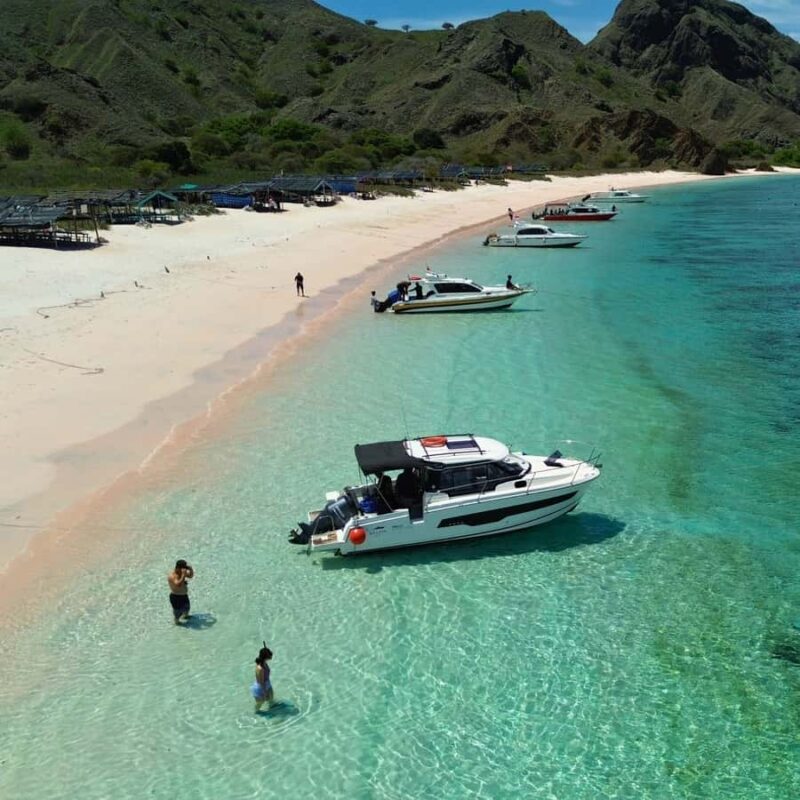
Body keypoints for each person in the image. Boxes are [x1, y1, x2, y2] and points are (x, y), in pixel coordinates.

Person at [167, 560, 194, 624]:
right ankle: (177, 622)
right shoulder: (172, 575)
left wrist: (191, 569)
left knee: (187, 608)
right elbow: (177, 584)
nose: (184, 570)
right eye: (183, 568)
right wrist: (183, 575)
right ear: (178, 568)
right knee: (178, 612)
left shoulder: (181, 573)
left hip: (184, 595)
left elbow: (190, 576)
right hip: (176, 597)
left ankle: (185, 616)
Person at [250, 644, 274, 712]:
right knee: (260, 703)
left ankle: (271, 709)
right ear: (266, 657)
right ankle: (256, 712)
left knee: (271, 699)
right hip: (261, 688)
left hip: (267, 684)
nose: (271, 657)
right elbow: (261, 682)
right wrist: (265, 692)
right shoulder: (260, 668)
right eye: (269, 655)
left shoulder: (264, 663)